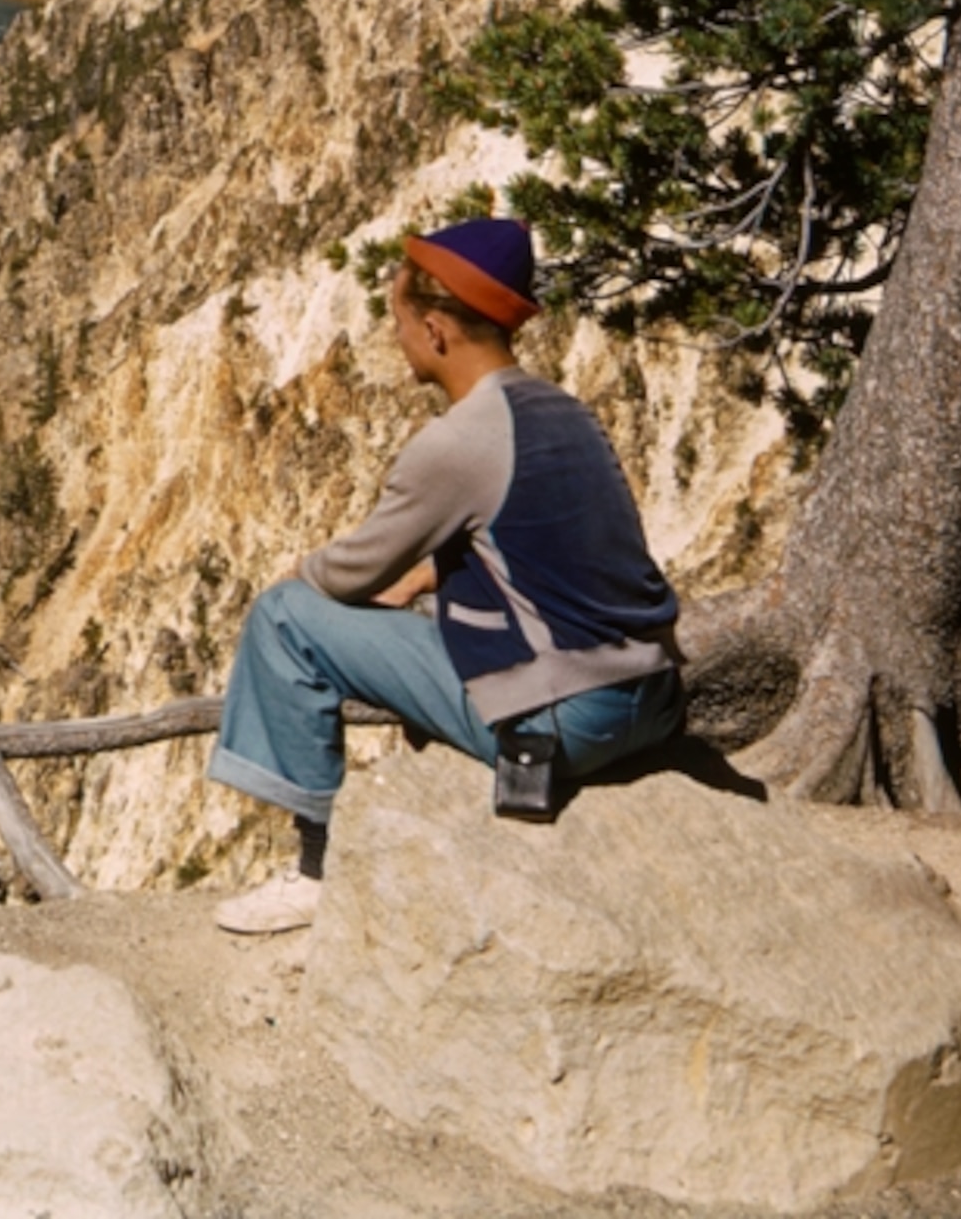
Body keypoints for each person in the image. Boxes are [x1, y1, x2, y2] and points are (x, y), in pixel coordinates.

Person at [208, 217, 681, 935]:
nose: (396, 338)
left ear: (434, 330)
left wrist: (303, 568)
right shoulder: (565, 411)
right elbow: (559, 545)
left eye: (398, 322)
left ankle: (316, 870)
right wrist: (430, 576)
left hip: (566, 721)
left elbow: (350, 572)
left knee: (283, 615)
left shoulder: (456, 441)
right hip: (652, 700)